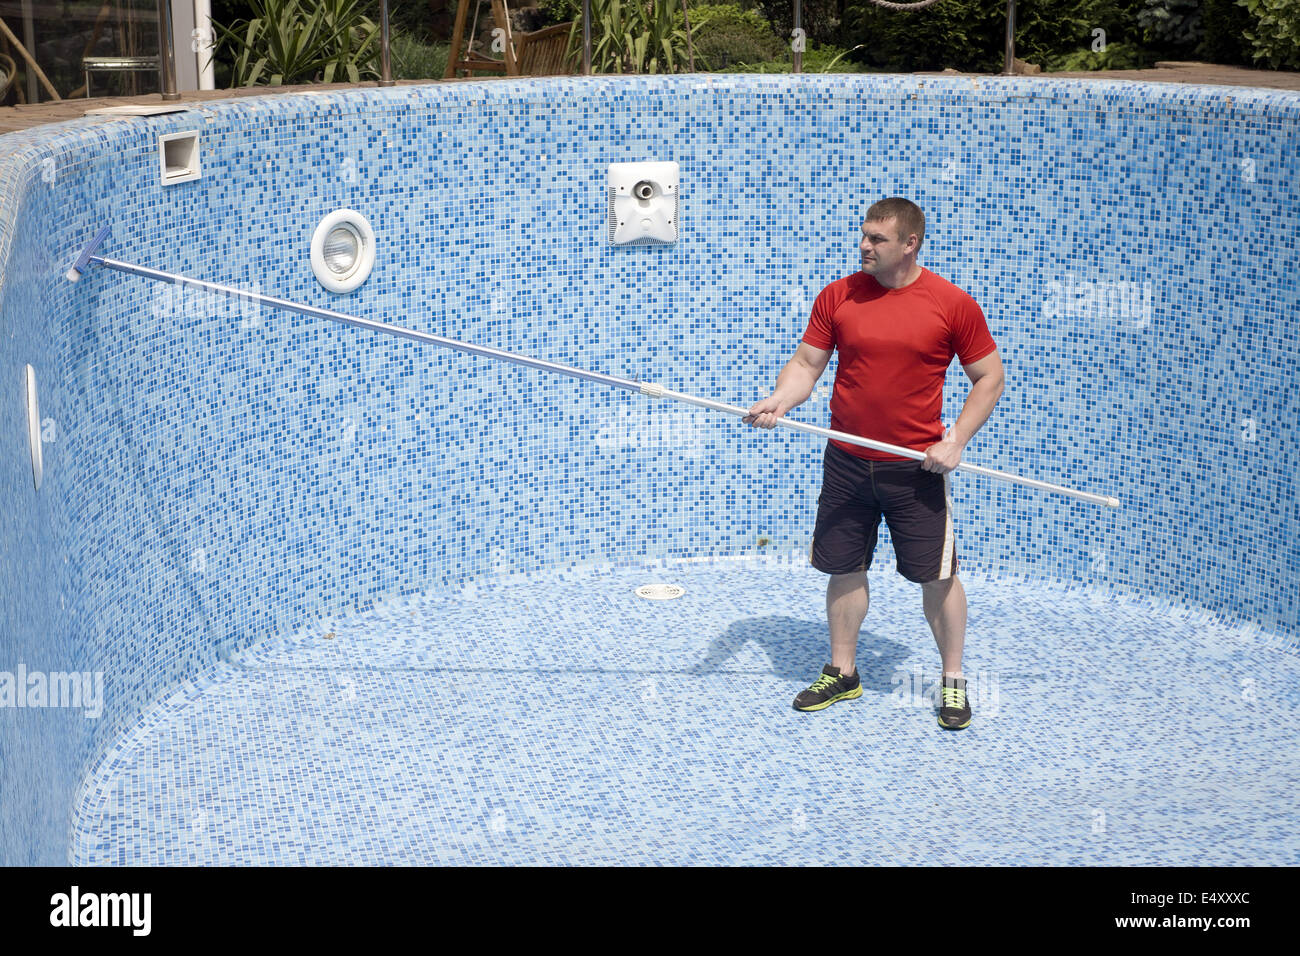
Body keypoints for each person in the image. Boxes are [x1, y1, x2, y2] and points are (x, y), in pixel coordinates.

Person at [744, 197, 1004, 730]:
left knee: (936, 576)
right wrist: (782, 399)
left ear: (910, 244)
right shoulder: (839, 296)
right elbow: (806, 364)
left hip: (916, 469)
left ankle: (952, 681)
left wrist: (954, 440)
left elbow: (989, 378)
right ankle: (842, 671)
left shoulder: (951, 304)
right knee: (843, 566)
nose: (864, 245)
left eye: (877, 239)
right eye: (863, 235)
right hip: (846, 459)